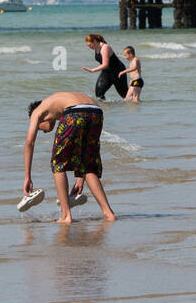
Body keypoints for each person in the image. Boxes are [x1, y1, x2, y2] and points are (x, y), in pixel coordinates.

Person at [24, 93, 117, 223]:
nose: (44, 131)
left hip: (74, 112)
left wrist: (27, 176)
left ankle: (66, 216)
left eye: (40, 128)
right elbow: (82, 153)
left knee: (58, 163)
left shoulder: (37, 112)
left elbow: (29, 143)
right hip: (96, 112)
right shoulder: (56, 101)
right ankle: (108, 213)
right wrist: (80, 178)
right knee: (88, 165)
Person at [81, 33, 127, 99]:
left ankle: (135, 106)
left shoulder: (105, 47)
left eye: (90, 45)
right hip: (107, 72)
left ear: (94, 41)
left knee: (125, 95)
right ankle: (104, 108)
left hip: (118, 71)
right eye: (88, 46)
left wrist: (92, 70)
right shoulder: (96, 48)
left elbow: (105, 64)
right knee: (99, 94)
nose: (89, 47)